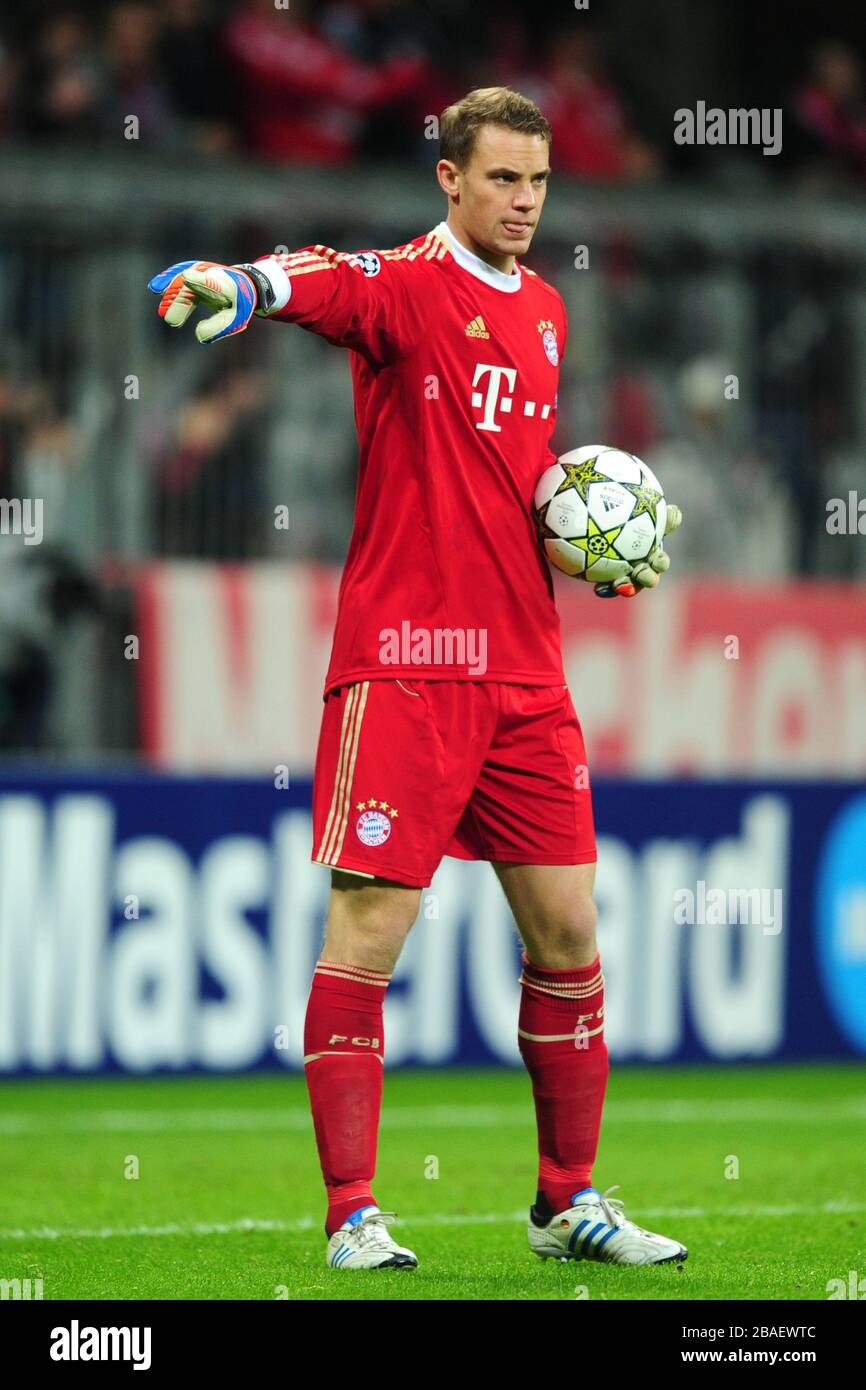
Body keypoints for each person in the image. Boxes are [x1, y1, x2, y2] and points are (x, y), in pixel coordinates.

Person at [148, 85, 685, 1273]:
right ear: (449, 179)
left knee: (566, 932)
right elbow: (313, 278)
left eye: (538, 183)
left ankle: (565, 1202)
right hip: (405, 667)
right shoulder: (399, 284)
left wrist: (593, 545)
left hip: (525, 674)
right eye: (501, 179)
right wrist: (239, 287)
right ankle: (352, 1213)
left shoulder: (544, 310)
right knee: (368, 935)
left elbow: (514, 476)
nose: (524, 202)